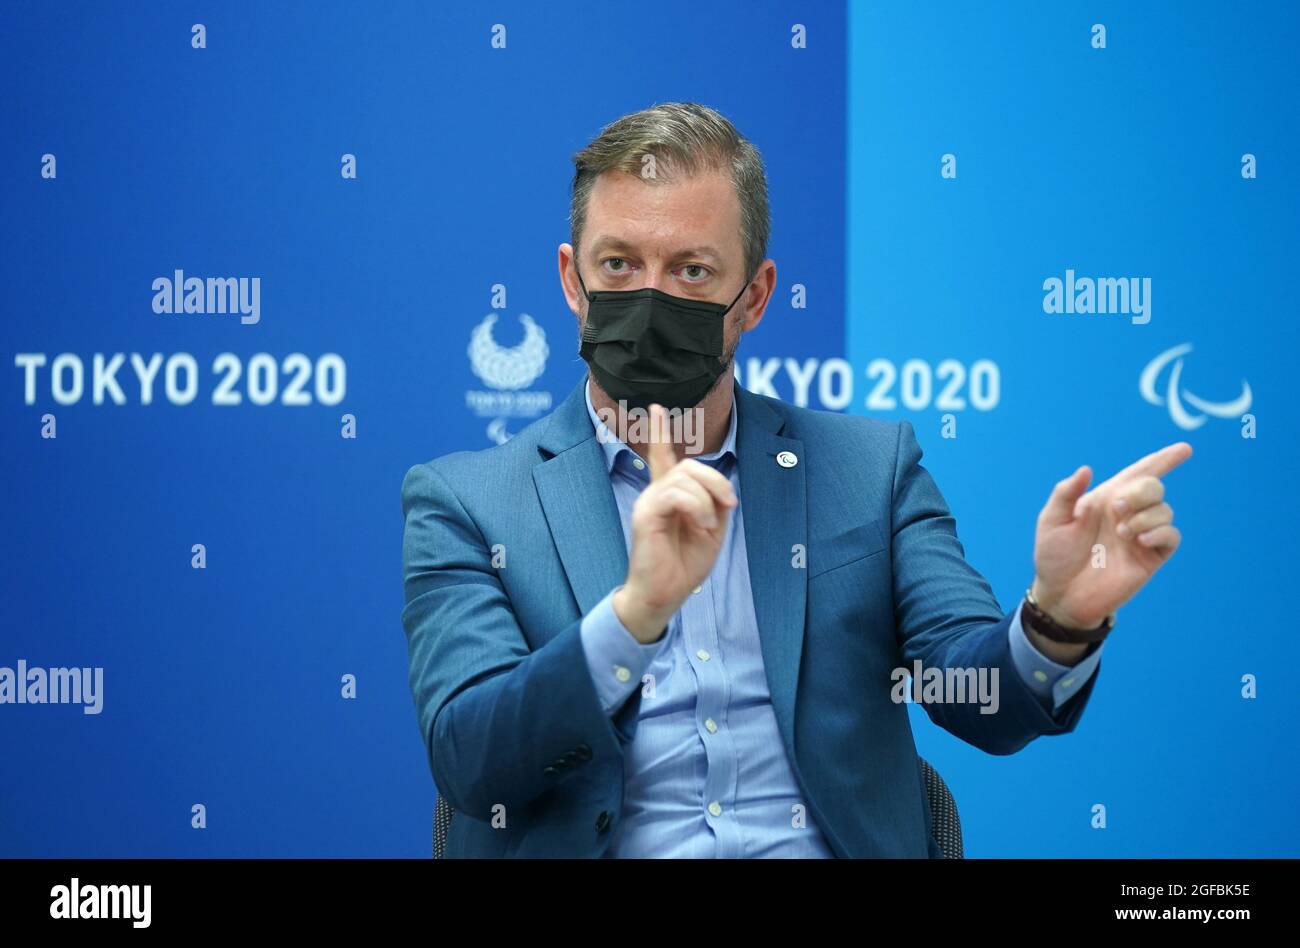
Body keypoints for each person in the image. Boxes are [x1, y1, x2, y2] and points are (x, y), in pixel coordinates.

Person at [400, 102, 1190, 857]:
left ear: (755, 297)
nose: (652, 299)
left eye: (692, 271)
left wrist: (1057, 619)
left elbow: (978, 700)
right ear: (572, 281)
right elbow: (472, 760)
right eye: (619, 264)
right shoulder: (469, 503)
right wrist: (636, 615)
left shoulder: (867, 471)